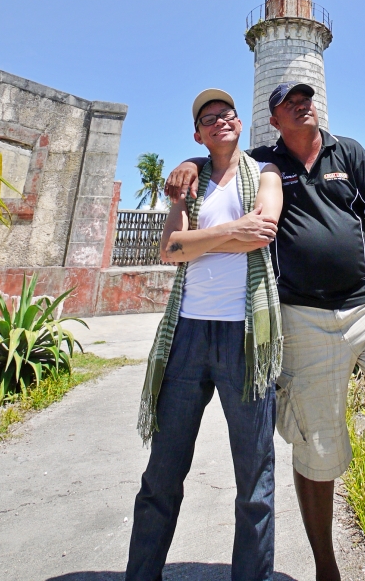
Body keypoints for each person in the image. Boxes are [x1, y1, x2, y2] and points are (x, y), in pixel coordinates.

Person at [166, 83, 365, 581]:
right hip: (301, 317)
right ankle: (326, 570)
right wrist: (191, 160)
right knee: (314, 444)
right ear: (273, 120)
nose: (303, 103)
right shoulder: (265, 162)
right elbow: (221, 154)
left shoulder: (350, 151)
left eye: (306, 96)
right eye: (288, 102)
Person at [126, 88, 283, 581]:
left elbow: (263, 231)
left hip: (247, 337)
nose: (220, 121)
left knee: (254, 481)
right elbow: (169, 250)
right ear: (198, 134)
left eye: (227, 114)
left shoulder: (267, 174)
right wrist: (227, 231)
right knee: (162, 475)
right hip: (188, 335)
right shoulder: (187, 184)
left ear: (240, 122)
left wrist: (199, 241)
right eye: (209, 119)